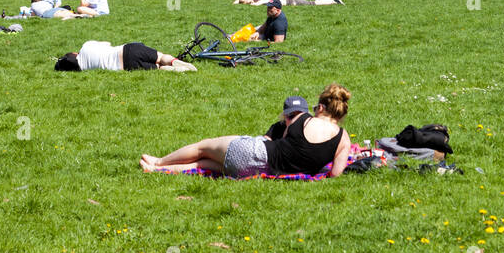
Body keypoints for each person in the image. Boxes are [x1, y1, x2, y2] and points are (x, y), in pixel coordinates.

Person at [140, 84, 351, 178]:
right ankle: (157, 171)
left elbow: (280, 142)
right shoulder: (343, 139)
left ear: (321, 107)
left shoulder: (301, 118)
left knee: (204, 146)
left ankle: (158, 162)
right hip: (258, 171)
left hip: (253, 153)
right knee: (205, 165)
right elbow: (335, 173)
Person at [54, 40, 196, 73]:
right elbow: (107, 43)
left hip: (126, 66)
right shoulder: (86, 47)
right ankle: (174, 61)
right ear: (73, 54)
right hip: (126, 50)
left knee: (157, 67)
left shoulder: (85, 69)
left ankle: (172, 69)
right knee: (161, 56)